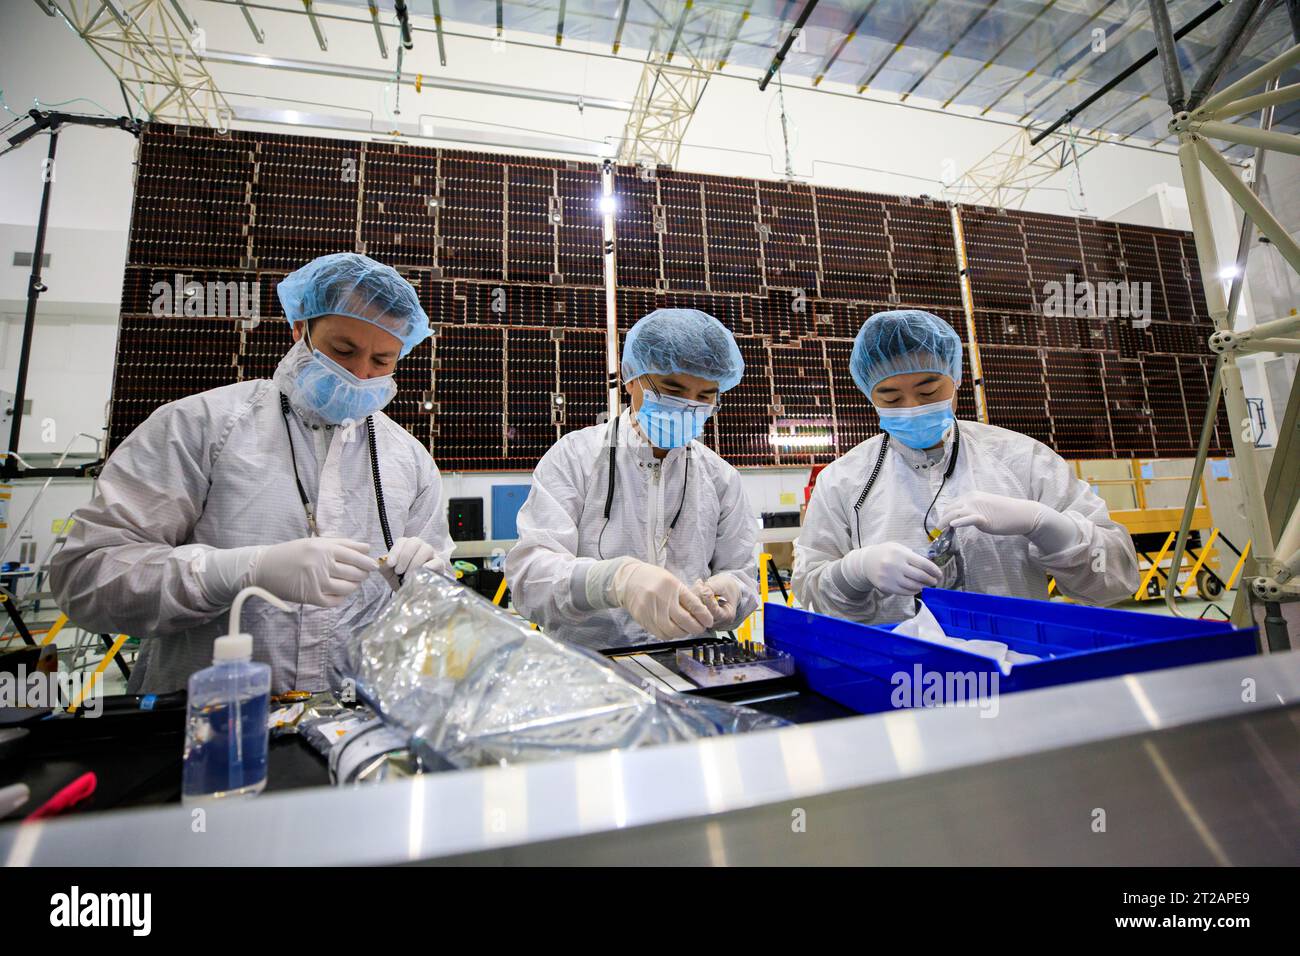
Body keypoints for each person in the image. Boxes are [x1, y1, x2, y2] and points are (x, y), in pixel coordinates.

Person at [50, 252, 455, 694]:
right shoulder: (200, 427)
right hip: (205, 723)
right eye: (343, 350)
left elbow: (435, 613)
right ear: (300, 329)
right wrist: (236, 571)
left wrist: (428, 584)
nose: (360, 374)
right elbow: (87, 578)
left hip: (353, 726)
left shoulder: (409, 460)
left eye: (382, 361)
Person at [793, 309, 1138, 623]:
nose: (912, 407)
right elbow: (811, 596)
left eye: (928, 391)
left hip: (1012, 664)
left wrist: (1049, 527)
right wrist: (854, 572)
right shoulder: (842, 481)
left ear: (955, 377)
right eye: (891, 398)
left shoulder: (1022, 460)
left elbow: (1115, 580)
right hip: (894, 672)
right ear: (869, 394)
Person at [505, 308, 759, 650]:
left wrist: (730, 590)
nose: (687, 407)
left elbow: (742, 578)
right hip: (590, 665)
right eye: (673, 389)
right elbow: (530, 579)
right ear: (631, 379)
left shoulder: (720, 478)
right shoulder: (577, 457)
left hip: (690, 664)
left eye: (704, 397)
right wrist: (613, 581)